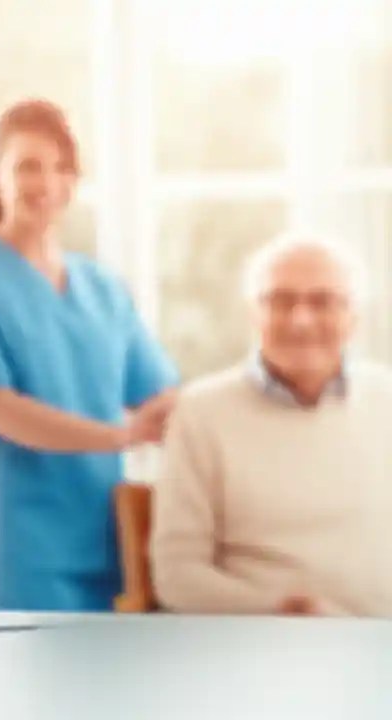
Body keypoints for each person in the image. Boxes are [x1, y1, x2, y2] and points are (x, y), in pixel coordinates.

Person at [0, 99, 178, 612]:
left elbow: (162, 397)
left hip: (103, 539)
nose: (45, 182)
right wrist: (120, 436)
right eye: (27, 166)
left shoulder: (102, 289)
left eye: (60, 168)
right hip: (15, 547)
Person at [152, 233, 392, 617]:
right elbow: (177, 577)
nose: (300, 319)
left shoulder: (385, 398)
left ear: (354, 316)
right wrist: (279, 610)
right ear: (253, 313)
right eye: (280, 301)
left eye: (322, 301)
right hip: (262, 644)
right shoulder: (201, 411)